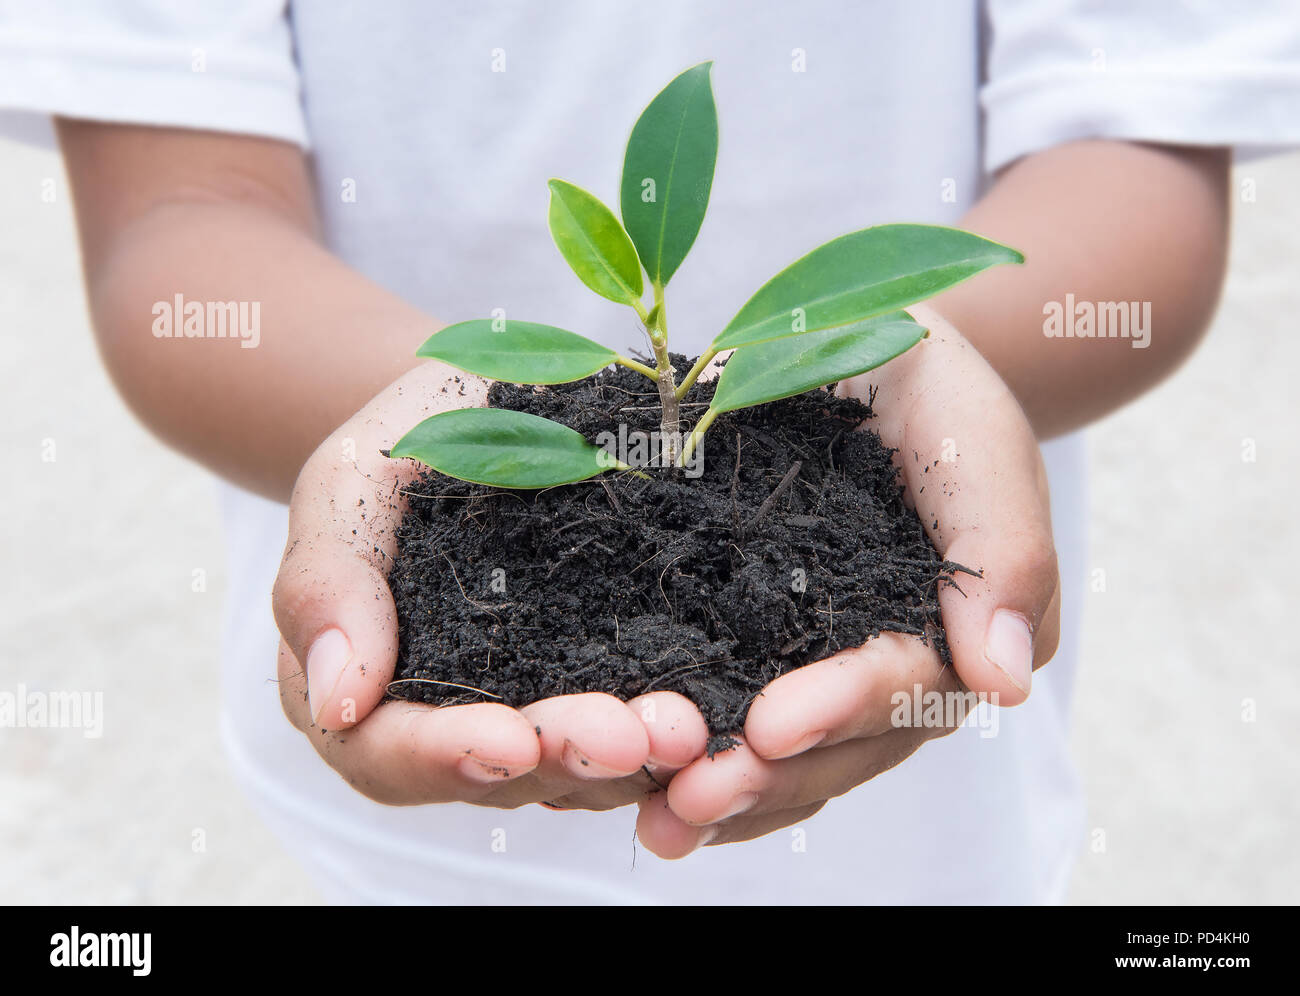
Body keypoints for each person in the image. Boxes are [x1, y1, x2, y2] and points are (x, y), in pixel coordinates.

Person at [2, 1, 1293, 903]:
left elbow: (1138, 156)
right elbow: (180, 227)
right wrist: (456, 425)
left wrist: (919, 351)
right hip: (411, 836)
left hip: (940, 832)